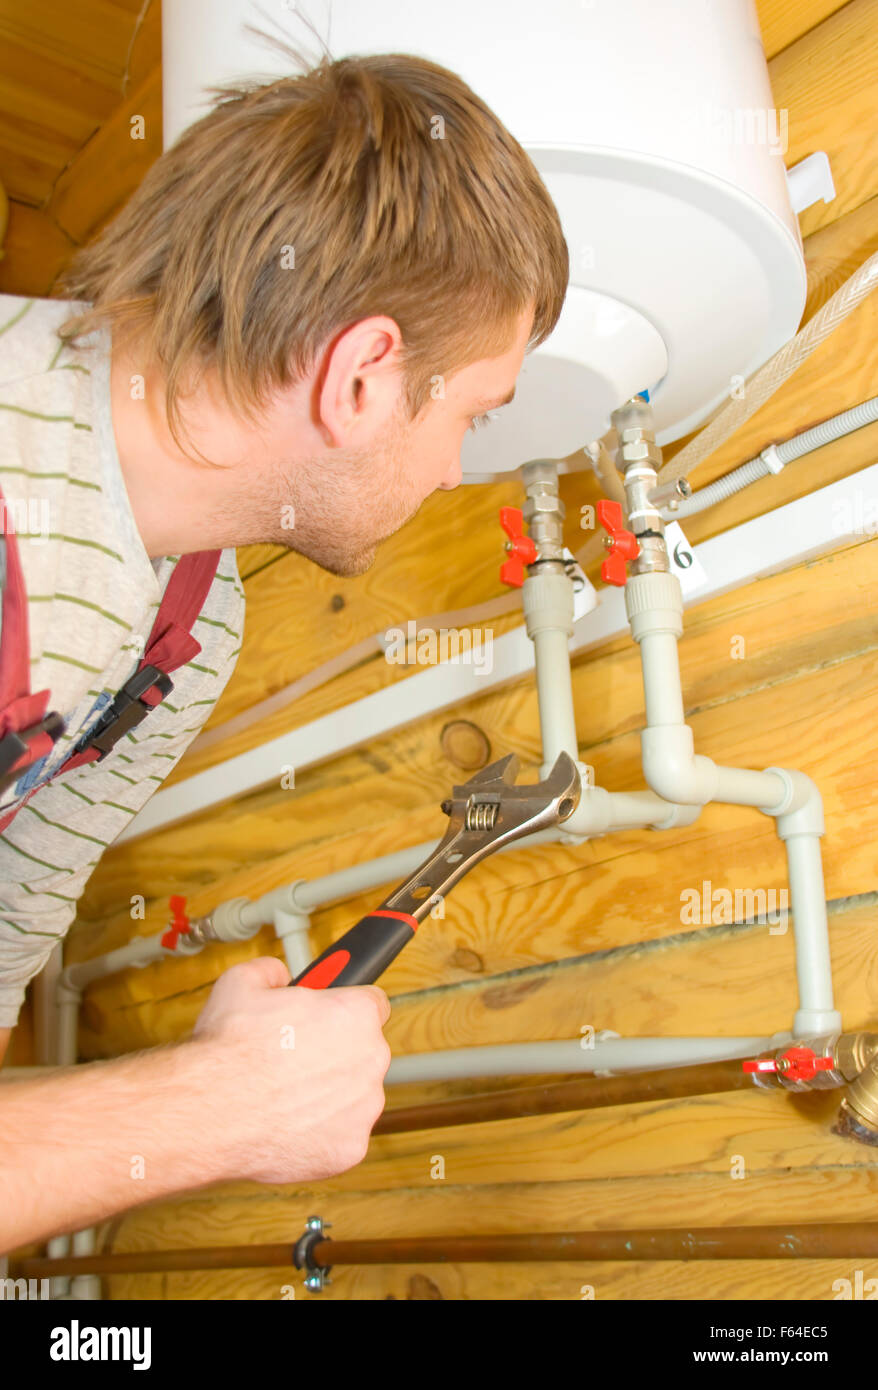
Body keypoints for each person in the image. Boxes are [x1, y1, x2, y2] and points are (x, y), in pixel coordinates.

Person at [0, 47, 567, 1251]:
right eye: (470, 413)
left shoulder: (193, 631)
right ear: (362, 377)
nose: (457, 468)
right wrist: (211, 1108)